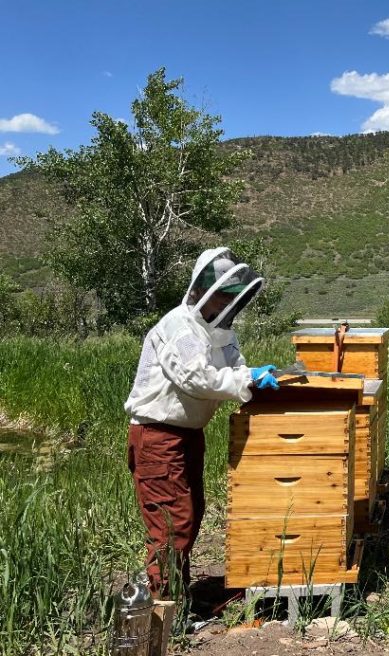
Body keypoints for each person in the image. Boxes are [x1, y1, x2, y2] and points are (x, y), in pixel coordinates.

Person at [124, 247, 280, 595]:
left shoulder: (218, 332)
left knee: (190, 514)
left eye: (230, 298)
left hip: (187, 436)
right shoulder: (179, 327)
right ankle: (164, 608)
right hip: (157, 436)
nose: (224, 305)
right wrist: (245, 381)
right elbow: (196, 378)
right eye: (221, 297)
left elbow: (234, 367)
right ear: (201, 292)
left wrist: (252, 375)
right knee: (171, 522)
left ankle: (175, 596)